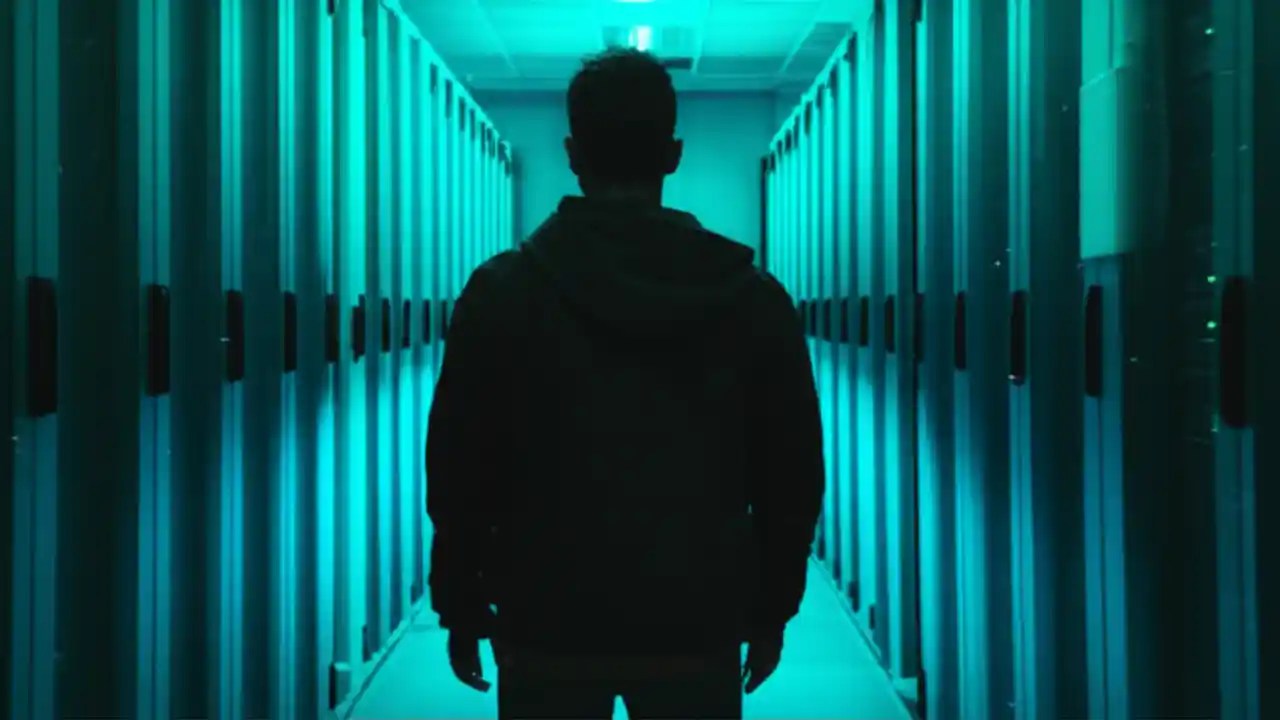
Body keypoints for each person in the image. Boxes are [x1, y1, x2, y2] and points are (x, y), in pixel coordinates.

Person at [425, 46, 825, 720]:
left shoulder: (500, 294)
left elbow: (460, 467)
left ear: (573, 153)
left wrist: (460, 601)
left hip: (546, 616)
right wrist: (772, 606)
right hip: (695, 619)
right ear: (672, 154)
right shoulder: (752, 299)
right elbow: (791, 473)